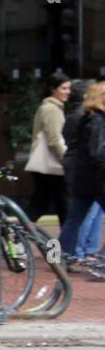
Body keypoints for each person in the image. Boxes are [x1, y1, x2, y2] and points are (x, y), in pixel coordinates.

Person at [58, 80, 105, 271]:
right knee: (75, 219)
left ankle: (57, 257)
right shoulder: (97, 120)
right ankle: (101, 260)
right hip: (98, 180)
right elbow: (97, 153)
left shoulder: (87, 117)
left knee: (74, 219)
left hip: (84, 179)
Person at [25, 73, 71, 231]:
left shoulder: (49, 107)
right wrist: (65, 160)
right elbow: (55, 140)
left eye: (69, 88)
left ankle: (17, 236)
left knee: (41, 204)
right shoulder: (52, 109)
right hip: (53, 166)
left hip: (46, 166)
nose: (68, 92)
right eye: (63, 88)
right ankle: (68, 245)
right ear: (53, 89)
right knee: (62, 205)